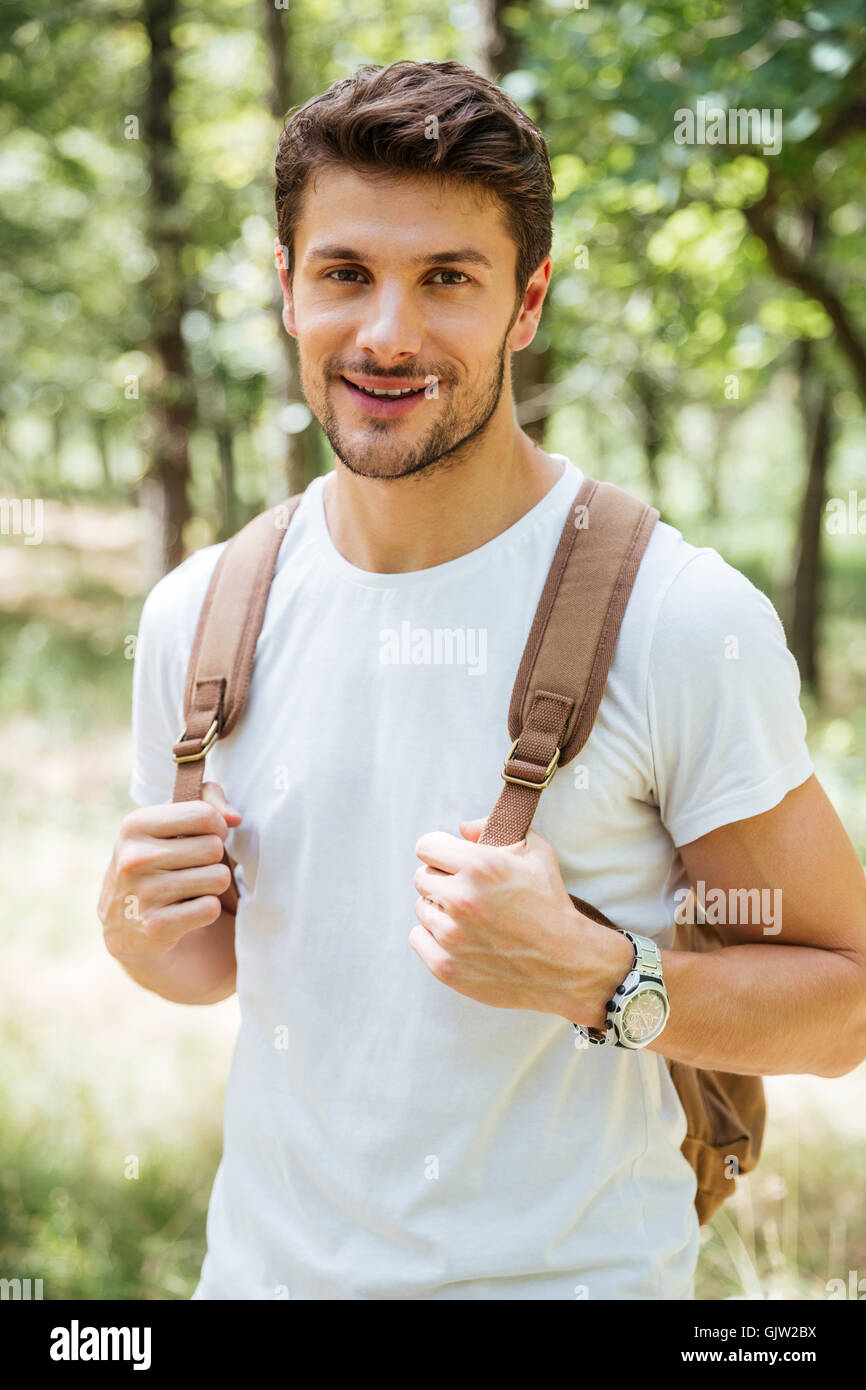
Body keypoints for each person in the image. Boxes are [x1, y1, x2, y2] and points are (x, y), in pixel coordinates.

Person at [98, 60, 866, 1301]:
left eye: (446, 278)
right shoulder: (200, 612)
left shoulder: (675, 618)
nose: (388, 332)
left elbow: (844, 1003)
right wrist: (131, 917)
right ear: (286, 289)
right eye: (345, 272)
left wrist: (595, 977)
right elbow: (205, 966)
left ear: (527, 303)